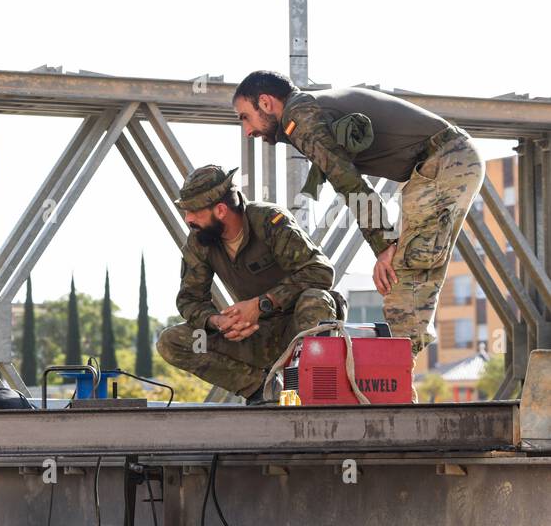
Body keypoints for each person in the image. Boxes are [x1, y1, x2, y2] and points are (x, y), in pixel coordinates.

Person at [233, 71, 484, 362]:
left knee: (406, 270)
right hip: (439, 163)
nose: (247, 131)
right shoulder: (306, 109)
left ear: (265, 102)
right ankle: (399, 375)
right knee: (412, 267)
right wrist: (386, 243)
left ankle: (397, 381)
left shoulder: (300, 114)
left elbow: (348, 182)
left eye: (244, 118)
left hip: (444, 161)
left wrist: (384, 245)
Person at [156, 165, 337, 403]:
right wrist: (217, 322)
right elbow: (190, 299)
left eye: (193, 211)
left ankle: (312, 394)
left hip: (298, 327)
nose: (188, 219)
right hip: (254, 335)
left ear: (220, 210)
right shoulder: (200, 242)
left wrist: (262, 304)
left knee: (316, 299)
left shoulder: (270, 221)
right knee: (173, 341)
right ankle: (261, 390)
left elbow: (320, 272)